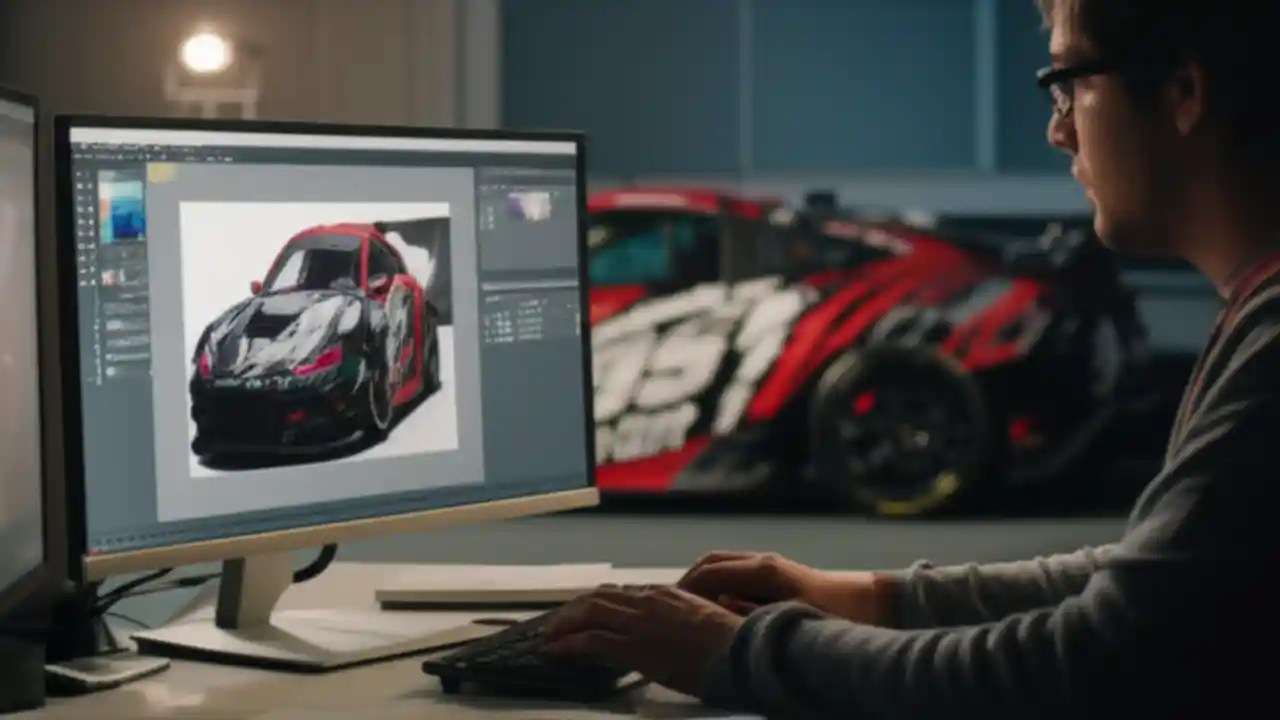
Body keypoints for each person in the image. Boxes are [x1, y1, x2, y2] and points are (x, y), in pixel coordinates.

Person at [543, 1, 1280, 716]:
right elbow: (1145, 584)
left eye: (1069, 81)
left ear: (1183, 91)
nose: (1058, 130)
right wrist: (870, 597)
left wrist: (737, 653)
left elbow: (1095, 658)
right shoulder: (1256, 317)